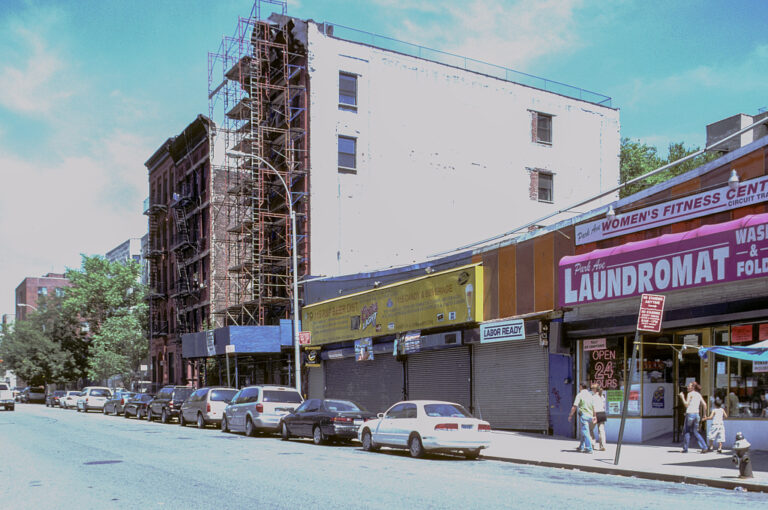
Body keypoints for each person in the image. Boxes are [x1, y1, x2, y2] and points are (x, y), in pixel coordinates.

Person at [679, 381, 708, 453]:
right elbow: (704, 404)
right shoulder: (698, 394)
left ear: (693, 387)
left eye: (689, 386)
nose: (687, 387)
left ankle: (685, 449)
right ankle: (704, 447)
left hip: (690, 413)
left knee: (687, 431)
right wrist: (704, 414)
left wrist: (682, 397)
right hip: (697, 414)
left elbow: (686, 405)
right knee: (696, 432)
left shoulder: (690, 394)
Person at [568, 382, 595, 453]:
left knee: (585, 432)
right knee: (584, 431)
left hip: (584, 415)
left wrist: (570, 415)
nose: (578, 388)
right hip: (590, 415)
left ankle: (589, 448)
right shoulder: (591, 395)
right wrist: (595, 416)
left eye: (579, 387)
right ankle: (581, 447)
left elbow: (574, 406)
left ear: (581, 387)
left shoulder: (580, 395)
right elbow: (593, 406)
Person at [591, 383, 607, 451]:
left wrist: (594, 416)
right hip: (602, 413)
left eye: (592, 388)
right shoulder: (602, 396)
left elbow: (593, 407)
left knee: (590, 429)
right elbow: (603, 406)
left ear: (595, 389)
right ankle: (602, 446)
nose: (591, 390)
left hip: (596, 414)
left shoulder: (593, 397)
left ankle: (592, 444)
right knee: (601, 430)